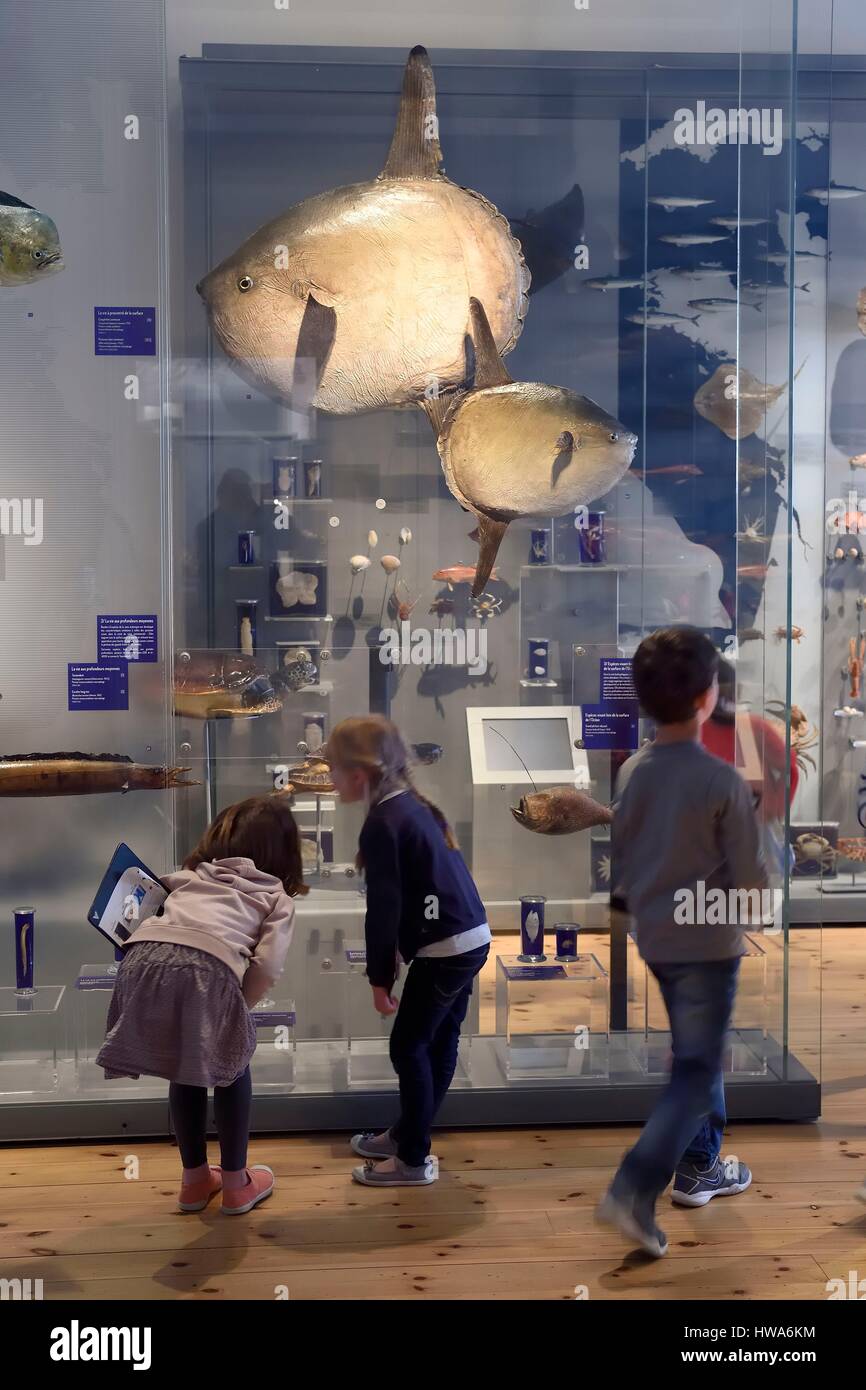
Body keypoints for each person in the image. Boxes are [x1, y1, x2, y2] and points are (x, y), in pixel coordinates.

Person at [596, 627, 768, 1257]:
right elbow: (752, 877)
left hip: (658, 939)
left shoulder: (636, 770)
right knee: (695, 1073)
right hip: (709, 945)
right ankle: (637, 1186)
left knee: (696, 1054)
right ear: (706, 697)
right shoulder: (720, 779)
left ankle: (696, 1164)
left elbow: (623, 851)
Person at [97, 796, 306, 1215]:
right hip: (207, 968)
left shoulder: (189, 876)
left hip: (142, 958)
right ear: (285, 851)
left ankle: (194, 1181)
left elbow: (144, 901)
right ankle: (236, 1184)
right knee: (232, 1069)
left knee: (184, 1062)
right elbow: (268, 963)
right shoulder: (275, 896)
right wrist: (237, 1006)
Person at [327, 715, 490, 1187]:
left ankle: (413, 1159)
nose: (331, 778)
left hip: (448, 948)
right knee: (436, 1042)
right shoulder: (411, 807)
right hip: (469, 937)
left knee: (408, 1046)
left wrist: (381, 980)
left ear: (359, 774)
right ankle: (406, 1136)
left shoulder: (385, 821)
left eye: (334, 768)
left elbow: (384, 908)